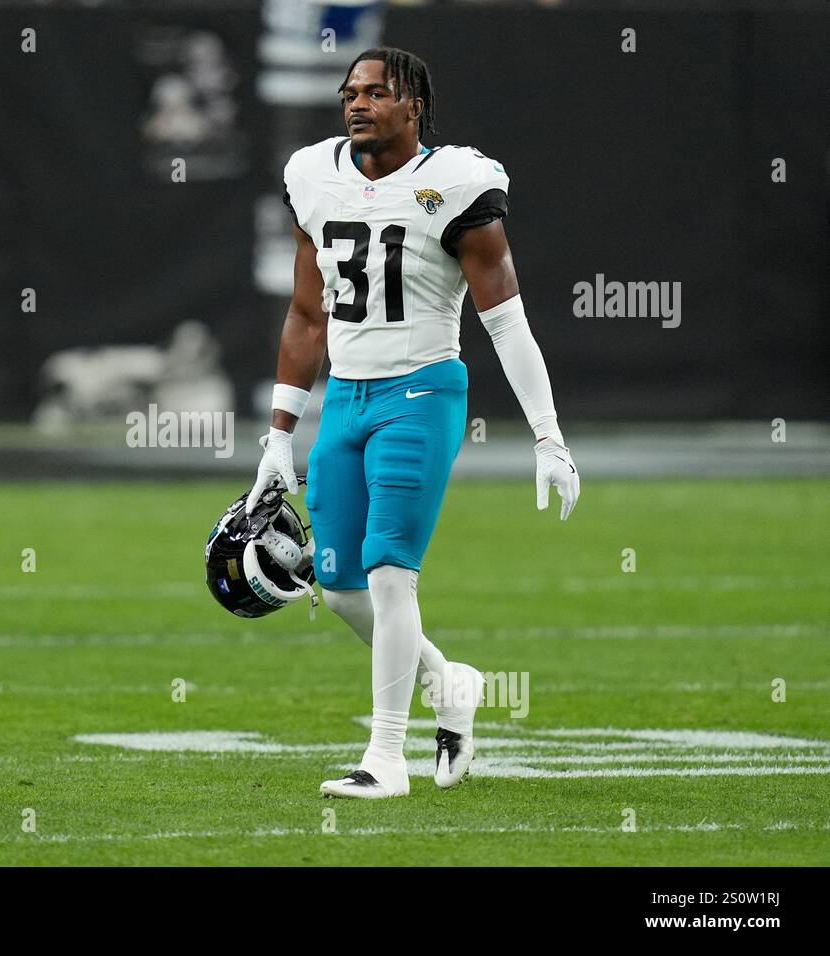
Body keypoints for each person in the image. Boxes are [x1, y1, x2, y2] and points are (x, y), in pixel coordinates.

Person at [247, 47, 580, 799]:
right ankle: (447, 681)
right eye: (349, 92)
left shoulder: (457, 182)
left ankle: (387, 758)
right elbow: (306, 314)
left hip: (422, 394)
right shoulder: (313, 175)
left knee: (392, 574)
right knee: (337, 588)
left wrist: (548, 434)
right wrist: (277, 436)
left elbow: (507, 321)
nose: (358, 104)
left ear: (414, 106)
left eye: (376, 92)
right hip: (347, 399)